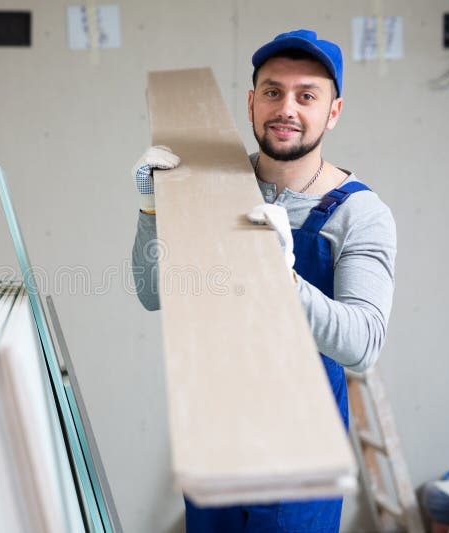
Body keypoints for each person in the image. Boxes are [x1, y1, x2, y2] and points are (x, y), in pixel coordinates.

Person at [130, 29, 397, 532]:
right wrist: (151, 211)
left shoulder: (360, 214)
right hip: (216, 439)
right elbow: (152, 294)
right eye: (273, 92)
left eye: (307, 95)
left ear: (333, 111)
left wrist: (284, 279)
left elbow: (362, 344)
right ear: (252, 103)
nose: (287, 108)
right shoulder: (210, 185)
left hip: (301, 452)